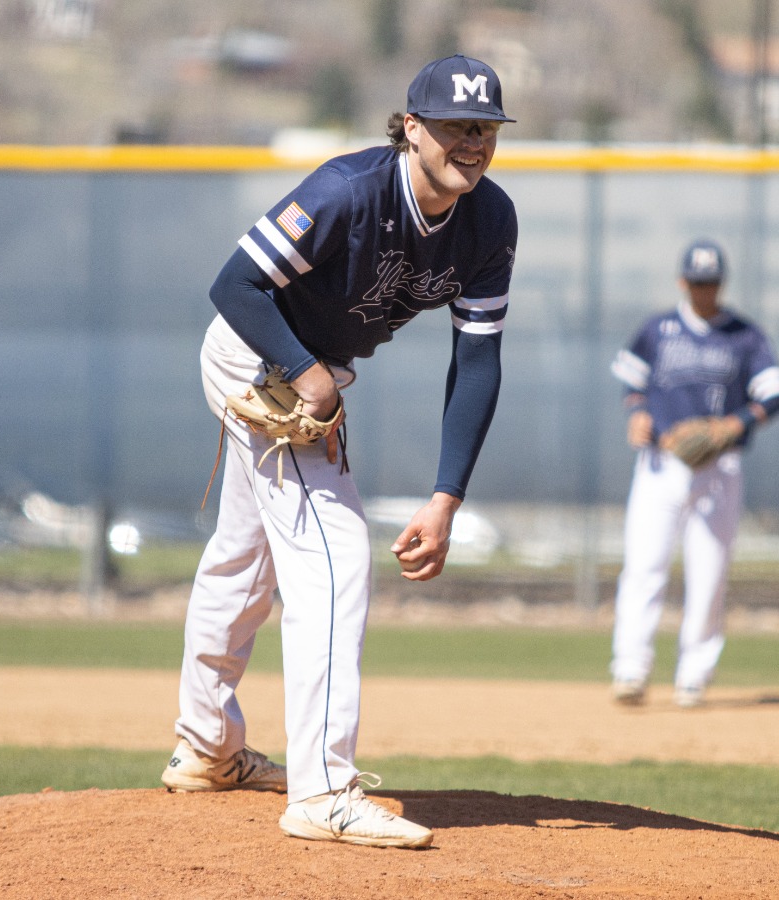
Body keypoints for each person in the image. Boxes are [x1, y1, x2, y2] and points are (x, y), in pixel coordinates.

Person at [161, 55, 518, 849]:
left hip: (310, 369)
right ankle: (322, 789)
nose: (475, 143)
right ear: (413, 127)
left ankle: (206, 747)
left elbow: (480, 358)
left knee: (245, 557)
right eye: (458, 126)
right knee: (334, 549)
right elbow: (234, 287)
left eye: (487, 128)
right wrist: (305, 370)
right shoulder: (347, 190)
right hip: (255, 353)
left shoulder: (490, 221)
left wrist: (447, 494)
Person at [608, 239, 779, 709]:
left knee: (709, 574)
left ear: (720, 285)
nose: (704, 291)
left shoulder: (744, 335)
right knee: (644, 567)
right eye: (696, 282)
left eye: (711, 283)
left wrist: (737, 423)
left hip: (718, 467)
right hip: (660, 463)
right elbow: (632, 383)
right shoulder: (658, 329)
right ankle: (630, 669)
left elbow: (775, 394)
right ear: (681, 282)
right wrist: (638, 412)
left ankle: (694, 674)